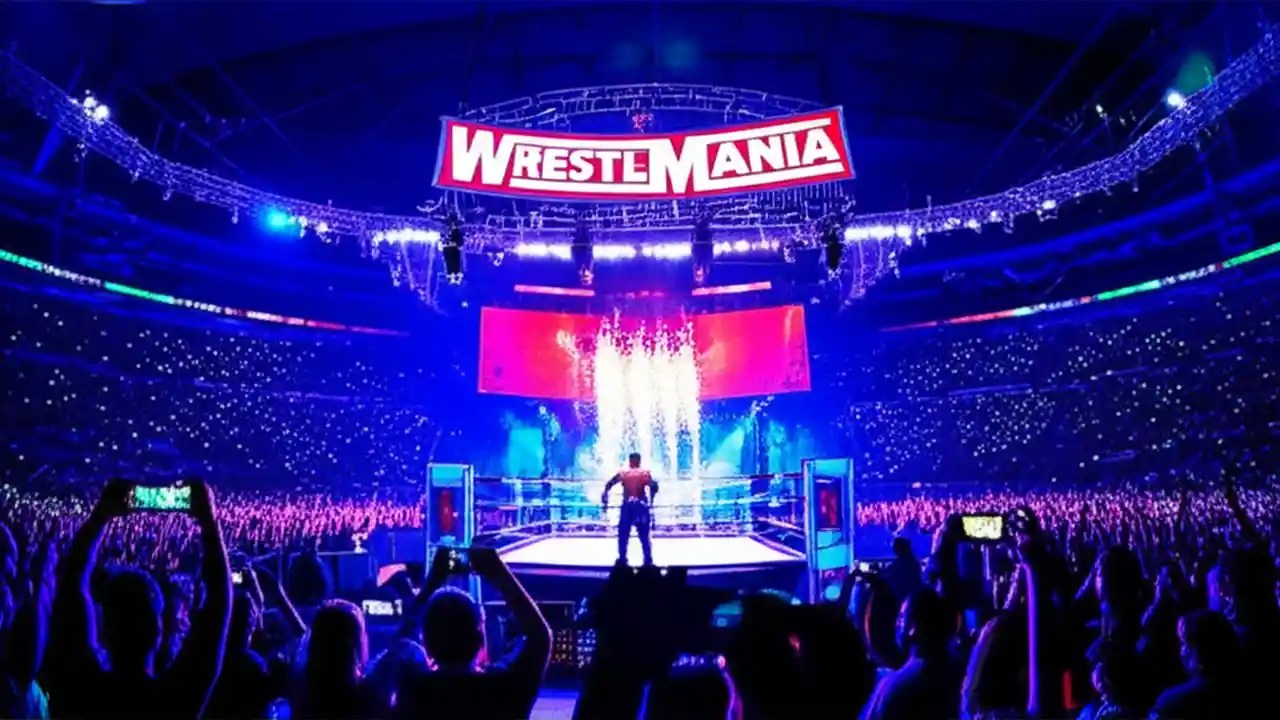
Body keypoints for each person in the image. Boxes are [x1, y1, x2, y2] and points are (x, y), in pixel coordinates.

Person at [45, 480, 232, 720]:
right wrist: (209, 520)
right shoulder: (174, 702)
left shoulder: (82, 690)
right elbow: (218, 605)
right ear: (157, 630)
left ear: (107, 630)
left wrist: (100, 516)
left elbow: (72, 584)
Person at [395, 546, 552, 720]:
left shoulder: (413, 691)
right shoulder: (504, 690)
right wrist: (499, 573)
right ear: (480, 639)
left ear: (427, 643)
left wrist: (433, 581)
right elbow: (540, 637)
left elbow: (401, 644)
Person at [601, 452, 659, 566]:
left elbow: (609, 484)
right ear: (639, 461)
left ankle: (622, 559)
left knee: (623, 535)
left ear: (630, 461)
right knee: (644, 536)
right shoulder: (644, 474)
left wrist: (605, 495)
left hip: (627, 506)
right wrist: (652, 500)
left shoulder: (624, 473)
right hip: (641, 507)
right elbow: (654, 486)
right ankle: (647, 560)